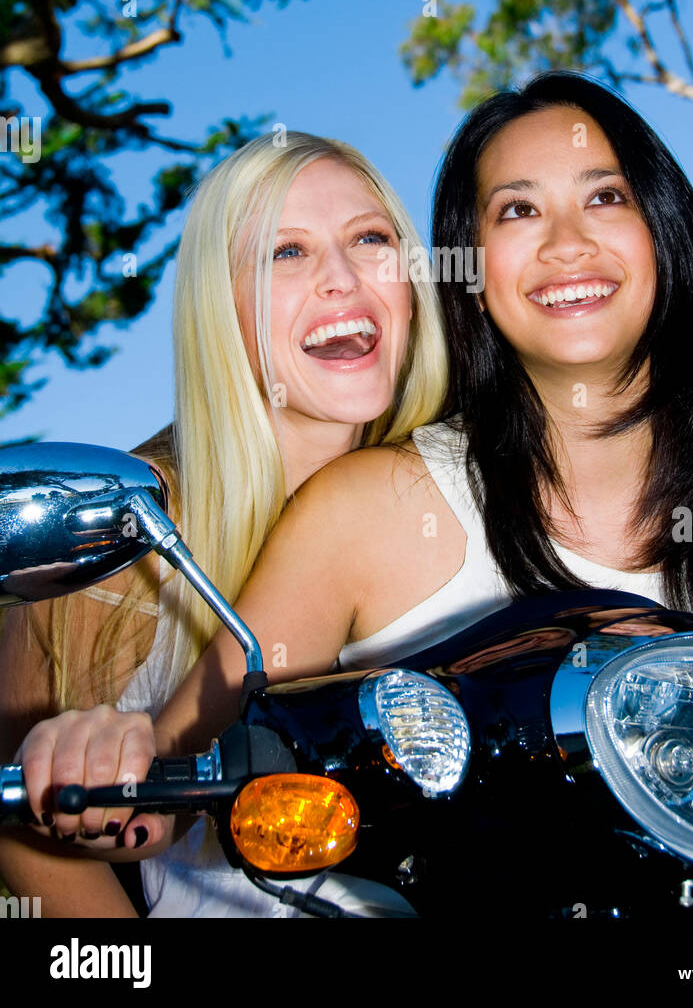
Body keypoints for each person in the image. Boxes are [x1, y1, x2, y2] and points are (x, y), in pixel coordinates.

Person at [13, 71, 693, 914]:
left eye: (606, 197)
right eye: (517, 210)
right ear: (471, 274)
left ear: (668, 233)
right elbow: (160, 790)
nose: (566, 242)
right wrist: (102, 758)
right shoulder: (363, 507)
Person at [0, 129, 447, 916]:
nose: (342, 280)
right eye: (286, 253)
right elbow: (24, 827)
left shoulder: (465, 494)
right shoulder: (120, 518)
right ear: (219, 301)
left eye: (370, 238)